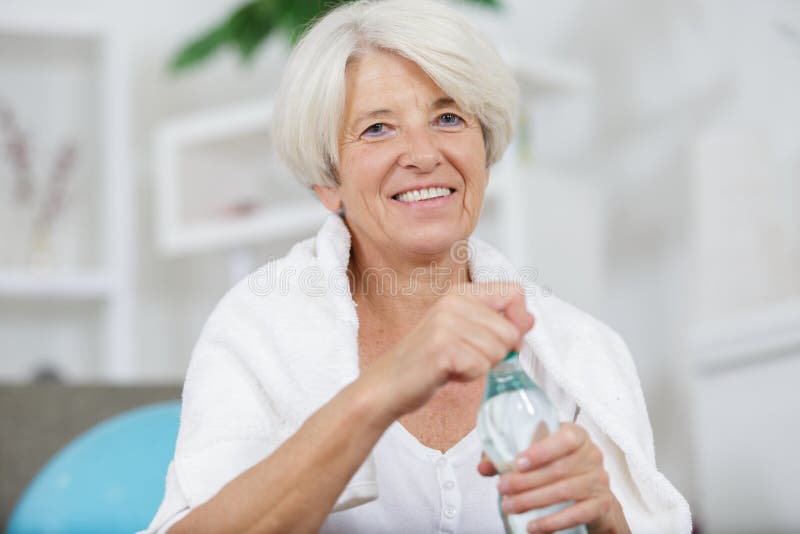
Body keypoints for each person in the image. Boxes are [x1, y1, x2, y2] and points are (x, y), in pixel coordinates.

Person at [144, 1, 691, 532]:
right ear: (328, 182)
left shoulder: (577, 352)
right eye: (378, 128)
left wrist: (606, 518)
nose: (424, 154)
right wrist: (379, 391)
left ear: (485, 150)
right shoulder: (257, 329)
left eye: (448, 117)